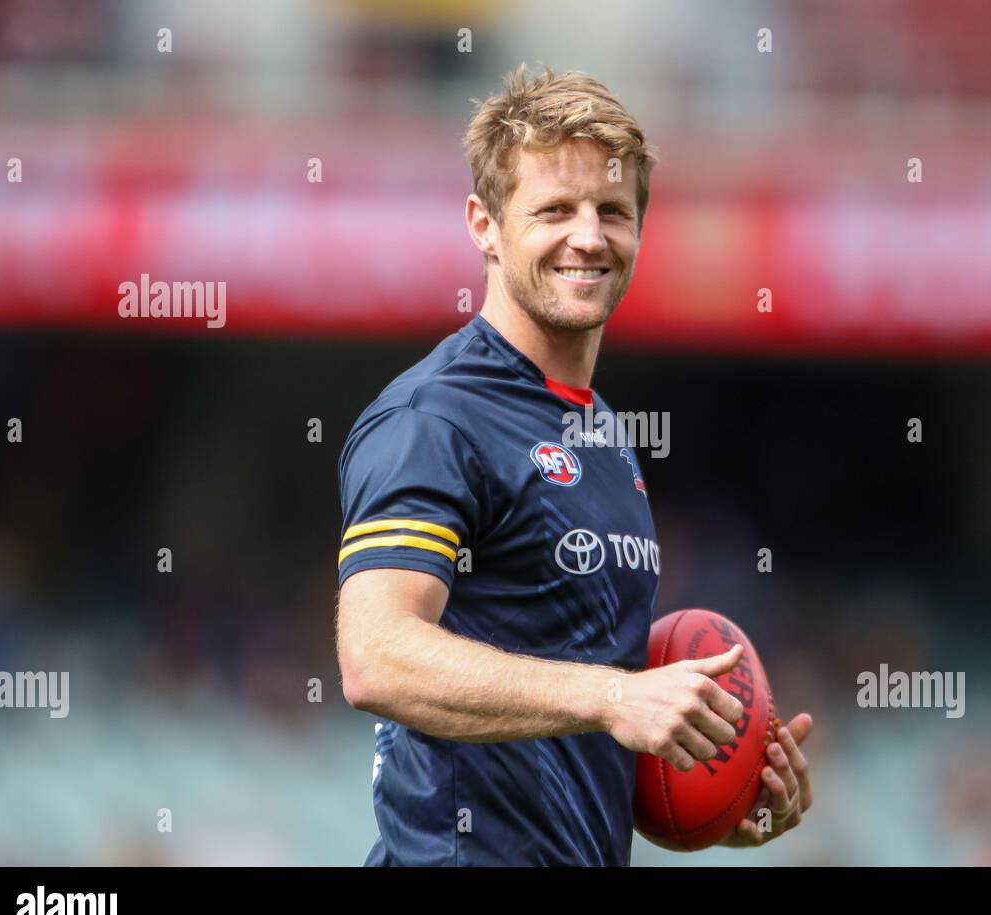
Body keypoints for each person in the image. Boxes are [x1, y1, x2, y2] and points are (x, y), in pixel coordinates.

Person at [335, 64, 813, 865]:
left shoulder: (601, 430)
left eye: (613, 212)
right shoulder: (433, 418)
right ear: (483, 224)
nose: (588, 236)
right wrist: (615, 695)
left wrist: (713, 802)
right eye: (554, 209)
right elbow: (374, 657)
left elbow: (572, 734)